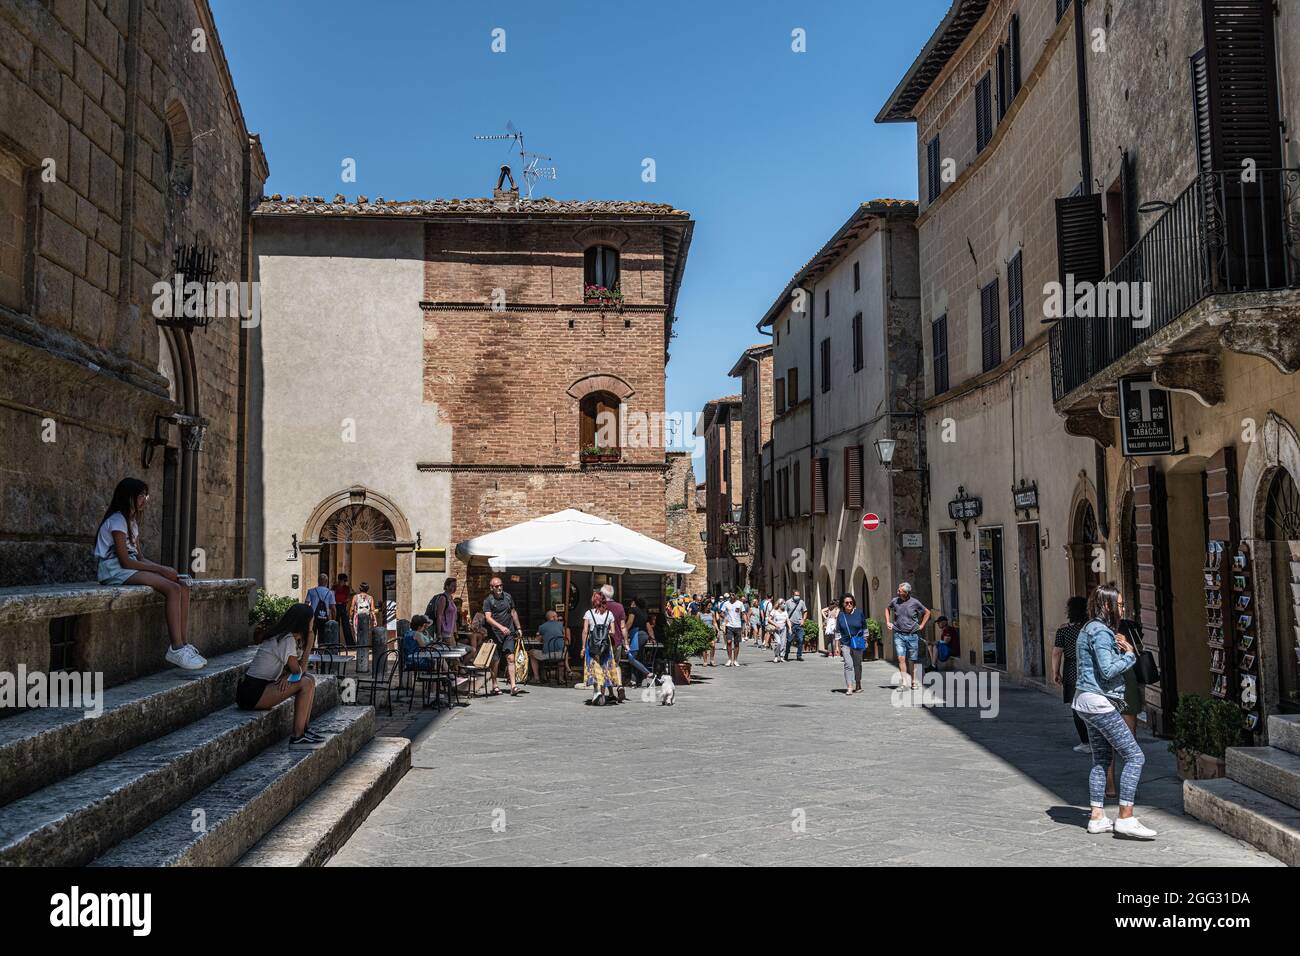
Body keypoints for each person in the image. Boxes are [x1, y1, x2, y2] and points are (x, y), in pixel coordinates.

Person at [94, 477, 205, 670]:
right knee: (171, 588)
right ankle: (176, 648)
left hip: (128, 567)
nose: (145, 499)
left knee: (183, 585)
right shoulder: (117, 520)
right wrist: (161, 570)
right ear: (128, 497)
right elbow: (125, 560)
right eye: (140, 495)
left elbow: (140, 557)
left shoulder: (131, 522)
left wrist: (167, 570)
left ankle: (184, 645)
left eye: (146, 494)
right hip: (113, 570)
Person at [1073, 583, 1156, 840]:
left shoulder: (1088, 628)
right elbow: (1108, 670)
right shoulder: (1101, 632)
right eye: (1119, 604)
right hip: (1099, 702)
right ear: (1107, 605)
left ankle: (1097, 816)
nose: (1123, 608)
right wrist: (1130, 654)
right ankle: (1126, 816)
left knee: (1101, 759)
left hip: (1084, 701)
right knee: (1135, 757)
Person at [234, 603, 321, 748]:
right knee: (305, 682)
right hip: (252, 693)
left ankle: (304, 730)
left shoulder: (287, 638)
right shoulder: (286, 639)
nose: (314, 621)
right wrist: (309, 647)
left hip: (260, 687)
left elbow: (294, 671)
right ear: (304, 622)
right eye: (312, 619)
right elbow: (299, 671)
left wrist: (288, 675)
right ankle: (298, 737)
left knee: (310, 679)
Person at [1052, 597, 1092, 752]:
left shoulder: (1064, 630)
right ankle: (1099, 740)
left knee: (1077, 706)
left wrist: (1055, 672)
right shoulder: (1091, 628)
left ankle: (1086, 742)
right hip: (1089, 668)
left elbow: (1057, 653)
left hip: (1072, 669)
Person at [886, 582, 930, 688]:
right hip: (899, 634)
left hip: (912, 635)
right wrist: (888, 621)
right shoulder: (895, 601)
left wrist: (922, 625)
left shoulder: (915, 602)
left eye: (900, 591)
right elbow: (887, 609)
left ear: (906, 593)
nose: (897, 592)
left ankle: (914, 681)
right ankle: (904, 681)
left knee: (912, 659)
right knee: (901, 658)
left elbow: (927, 612)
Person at [484, 576, 523, 697]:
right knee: (495, 661)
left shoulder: (508, 597)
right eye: (496, 586)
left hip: (509, 633)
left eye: (501, 585)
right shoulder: (488, 601)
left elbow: (513, 612)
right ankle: (495, 685)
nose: (499, 587)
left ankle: (513, 686)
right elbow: (488, 618)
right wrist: (500, 627)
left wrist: (518, 628)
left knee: (510, 659)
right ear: (492, 588)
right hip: (495, 634)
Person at [582, 590, 622, 706]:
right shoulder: (609, 614)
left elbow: (585, 631)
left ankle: (596, 691)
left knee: (594, 667)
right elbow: (613, 631)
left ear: (593, 601)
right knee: (605, 667)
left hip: (592, 644)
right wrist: (604, 632)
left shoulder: (588, 613)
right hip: (605, 644)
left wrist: (583, 647)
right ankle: (603, 696)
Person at [837, 594, 868, 694]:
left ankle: (858, 684)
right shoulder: (841, 615)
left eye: (851, 602)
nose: (849, 604)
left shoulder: (859, 613)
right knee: (848, 664)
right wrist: (837, 646)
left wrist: (865, 640)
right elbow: (837, 632)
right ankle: (850, 686)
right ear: (843, 604)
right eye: (846, 603)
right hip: (845, 644)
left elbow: (864, 627)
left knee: (857, 665)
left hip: (858, 643)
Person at [530, 610, 570, 684]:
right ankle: (561, 679)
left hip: (548, 655)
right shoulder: (560, 625)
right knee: (561, 654)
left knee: (531, 652)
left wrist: (541, 636)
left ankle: (536, 677)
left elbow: (538, 640)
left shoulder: (542, 627)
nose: (557, 618)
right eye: (557, 616)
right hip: (561, 655)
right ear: (553, 617)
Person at [349, 582, 377, 672]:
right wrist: (374, 620)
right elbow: (372, 610)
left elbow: (352, 608)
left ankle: (359, 651)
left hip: (357, 618)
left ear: (360, 588)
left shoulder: (355, 597)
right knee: (365, 635)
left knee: (357, 634)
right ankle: (364, 652)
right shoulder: (370, 598)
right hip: (367, 619)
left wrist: (350, 618)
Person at [624, 597, 653, 685]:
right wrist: (652, 637)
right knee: (638, 658)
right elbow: (649, 627)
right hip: (644, 635)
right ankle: (636, 680)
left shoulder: (633, 610)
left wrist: (623, 631)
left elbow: (630, 622)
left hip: (636, 634)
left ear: (634, 602)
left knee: (631, 657)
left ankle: (648, 674)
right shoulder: (644, 612)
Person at [426, 577, 460, 646]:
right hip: (445, 632)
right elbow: (439, 616)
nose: (455, 588)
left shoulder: (450, 598)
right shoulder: (443, 598)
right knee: (452, 655)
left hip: (451, 633)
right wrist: (439, 633)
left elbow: (453, 617)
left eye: (456, 586)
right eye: (453, 586)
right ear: (447, 586)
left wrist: (455, 632)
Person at [307, 573, 336, 641]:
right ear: (327, 581)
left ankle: (311, 650)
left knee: (311, 635)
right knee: (323, 638)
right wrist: (333, 620)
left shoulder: (311, 591)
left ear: (318, 581)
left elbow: (306, 604)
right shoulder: (330, 593)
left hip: (313, 617)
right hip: (325, 617)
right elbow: (333, 608)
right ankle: (322, 651)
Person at [721, 592, 747, 666]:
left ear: (736, 596)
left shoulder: (740, 603)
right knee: (729, 642)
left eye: (733, 595)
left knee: (736, 643)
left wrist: (747, 622)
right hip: (729, 625)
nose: (732, 596)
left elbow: (743, 613)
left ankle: (735, 660)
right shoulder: (726, 603)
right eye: (731, 595)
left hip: (738, 625)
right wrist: (725, 617)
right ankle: (729, 659)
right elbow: (721, 613)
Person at [784, 591, 807, 661]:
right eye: (796, 595)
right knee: (789, 640)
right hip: (791, 624)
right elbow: (785, 613)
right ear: (792, 595)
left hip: (799, 624)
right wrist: (787, 622)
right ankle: (786, 654)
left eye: (799, 595)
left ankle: (799, 656)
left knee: (800, 640)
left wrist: (803, 620)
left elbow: (805, 611)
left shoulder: (801, 602)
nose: (797, 596)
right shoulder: (788, 602)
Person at [333, 573, 354, 647]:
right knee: (336, 625)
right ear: (339, 580)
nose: (345, 582)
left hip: (343, 606)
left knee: (346, 625)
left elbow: (351, 595)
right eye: (344, 580)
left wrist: (348, 607)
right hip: (336, 606)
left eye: (345, 581)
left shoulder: (347, 588)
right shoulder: (334, 587)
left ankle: (350, 644)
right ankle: (336, 643)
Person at [697, 598, 717, 666]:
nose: (710, 607)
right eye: (709, 605)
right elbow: (697, 624)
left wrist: (717, 629)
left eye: (710, 605)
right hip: (703, 632)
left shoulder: (712, 613)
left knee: (713, 645)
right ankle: (705, 661)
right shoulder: (699, 614)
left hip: (711, 631)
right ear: (705, 605)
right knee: (704, 647)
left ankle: (712, 660)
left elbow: (714, 622)